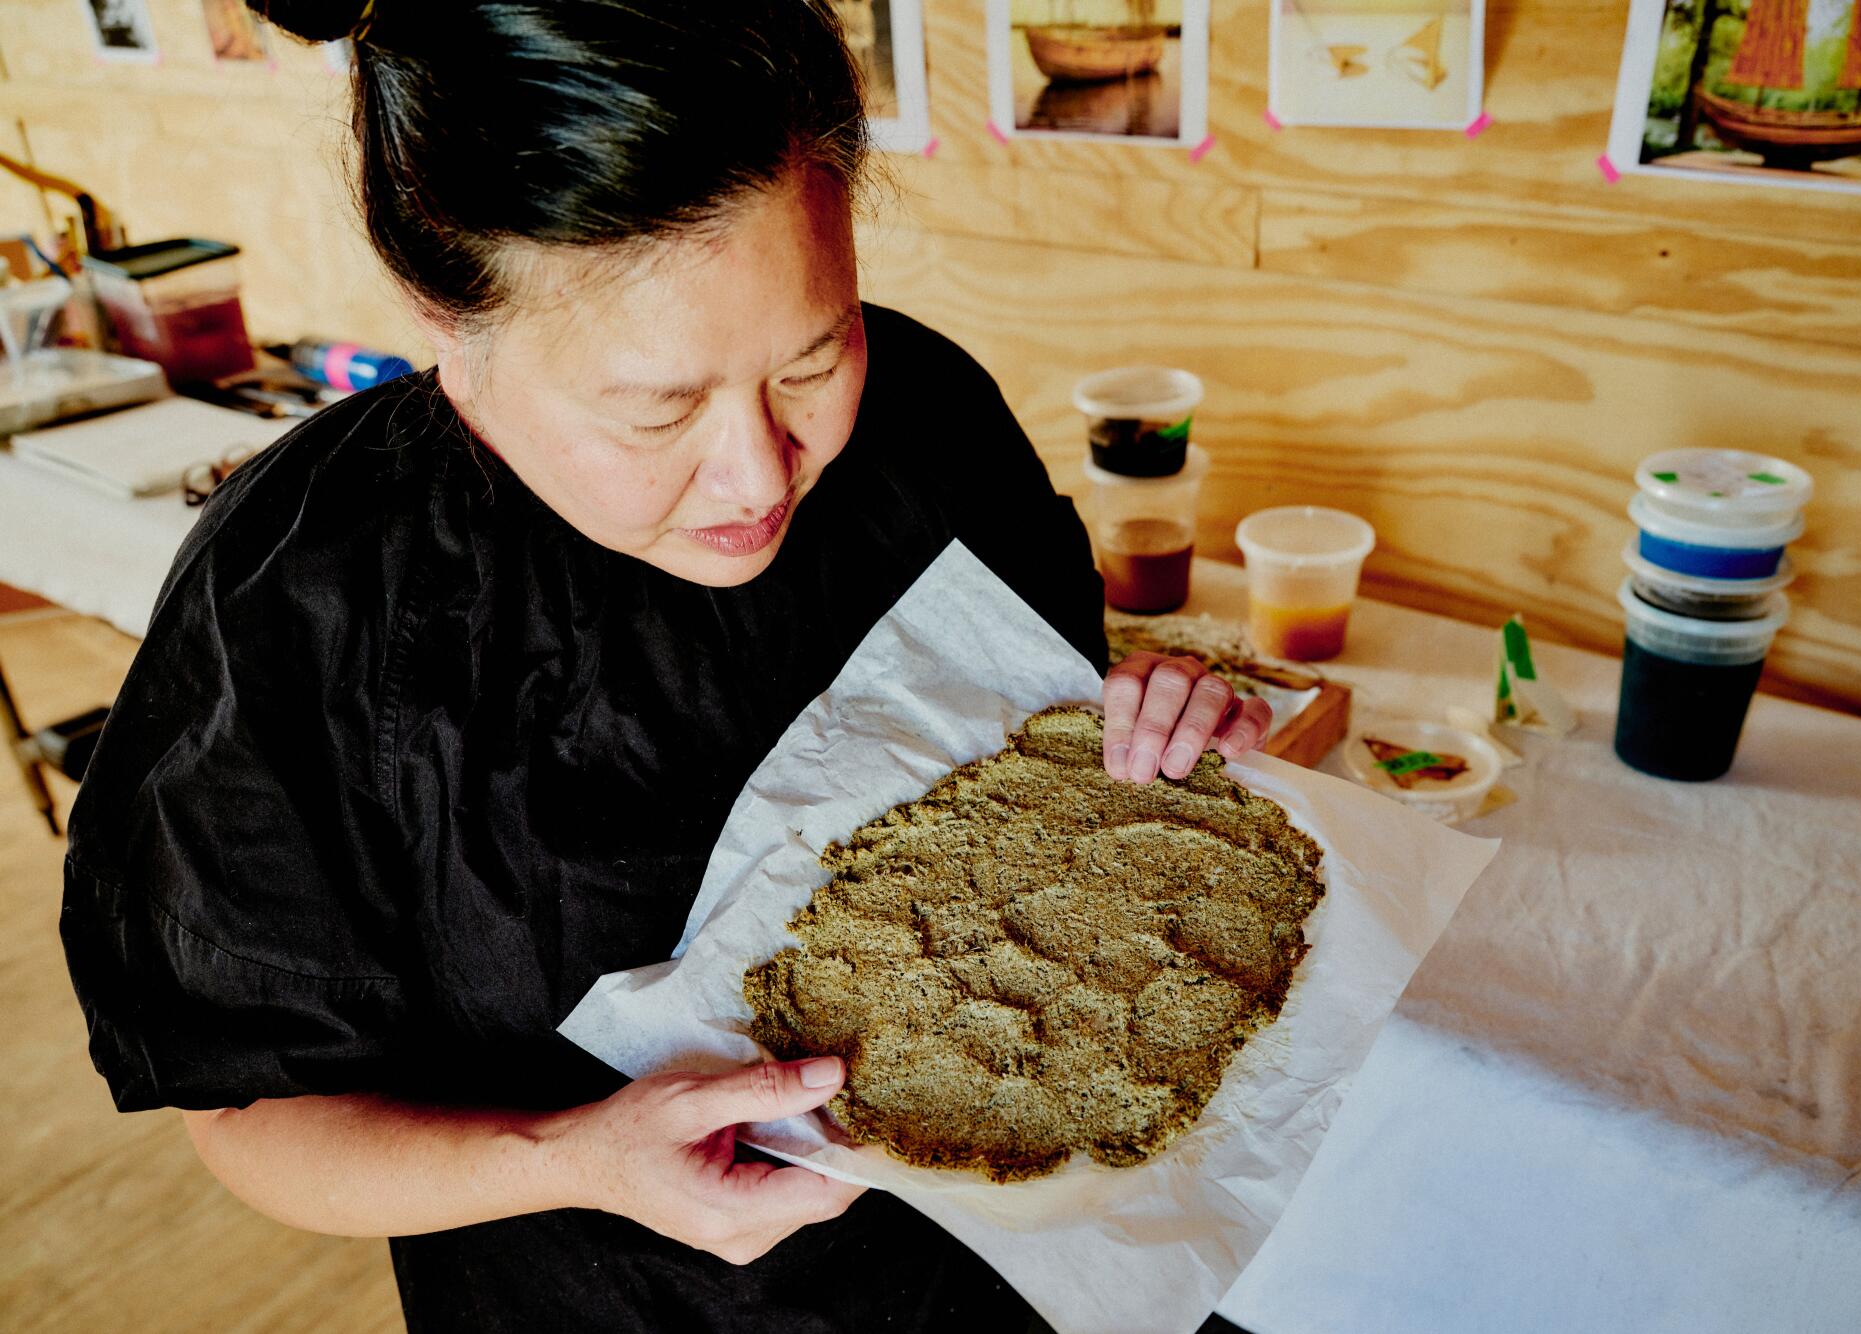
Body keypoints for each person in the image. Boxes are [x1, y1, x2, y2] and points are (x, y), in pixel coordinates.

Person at [59, 2, 1274, 1329]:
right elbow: (253, 1114)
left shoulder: (931, 426)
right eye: (659, 408)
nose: (762, 472)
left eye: (816, 354)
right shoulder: (310, 600)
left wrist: (1153, 742)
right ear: (442, 321)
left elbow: (1052, 795)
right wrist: (571, 1156)